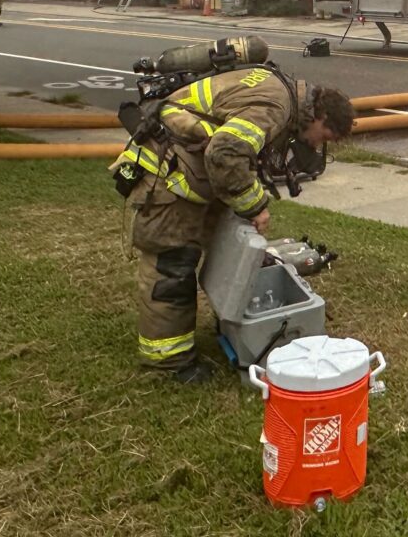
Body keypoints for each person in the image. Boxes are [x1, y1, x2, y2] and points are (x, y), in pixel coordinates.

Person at [113, 67, 356, 383]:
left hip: (179, 165)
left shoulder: (278, 87)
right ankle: (169, 362)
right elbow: (226, 153)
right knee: (171, 265)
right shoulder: (275, 107)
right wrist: (255, 205)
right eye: (322, 138)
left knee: (190, 256)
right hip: (166, 175)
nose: (313, 145)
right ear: (320, 117)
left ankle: (180, 346)